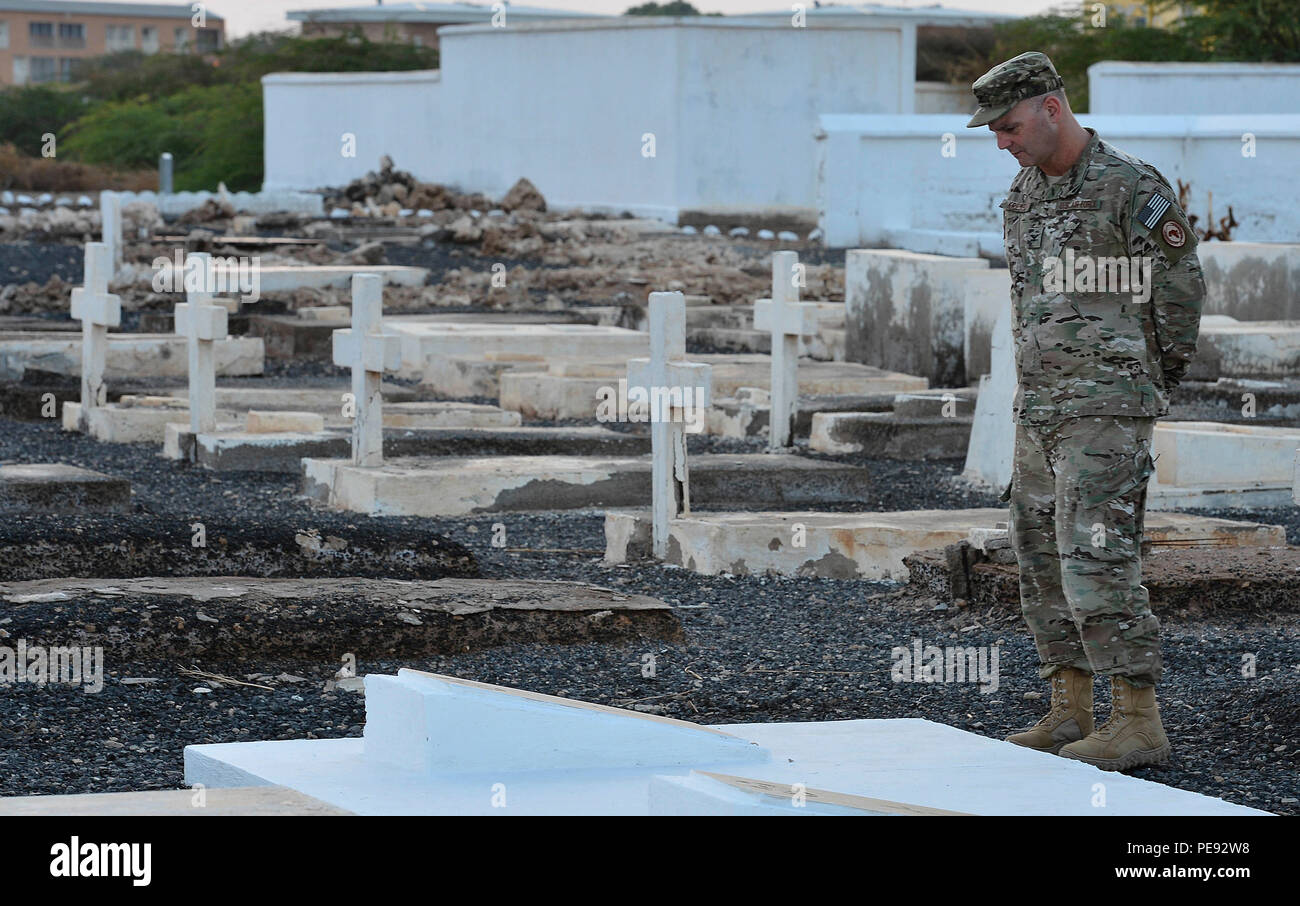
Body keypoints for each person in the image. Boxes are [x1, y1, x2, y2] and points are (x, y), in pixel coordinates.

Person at [966, 51, 1205, 771]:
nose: (1001, 142)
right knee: (1040, 556)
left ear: (1051, 108)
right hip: (1040, 408)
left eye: (1008, 127)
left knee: (1098, 555)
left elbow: (1179, 288)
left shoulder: (1131, 186)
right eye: (993, 133)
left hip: (1106, 407)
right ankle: (1070, 706)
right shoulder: (1024, 196)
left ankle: (1136, 718)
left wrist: (1144, 379)